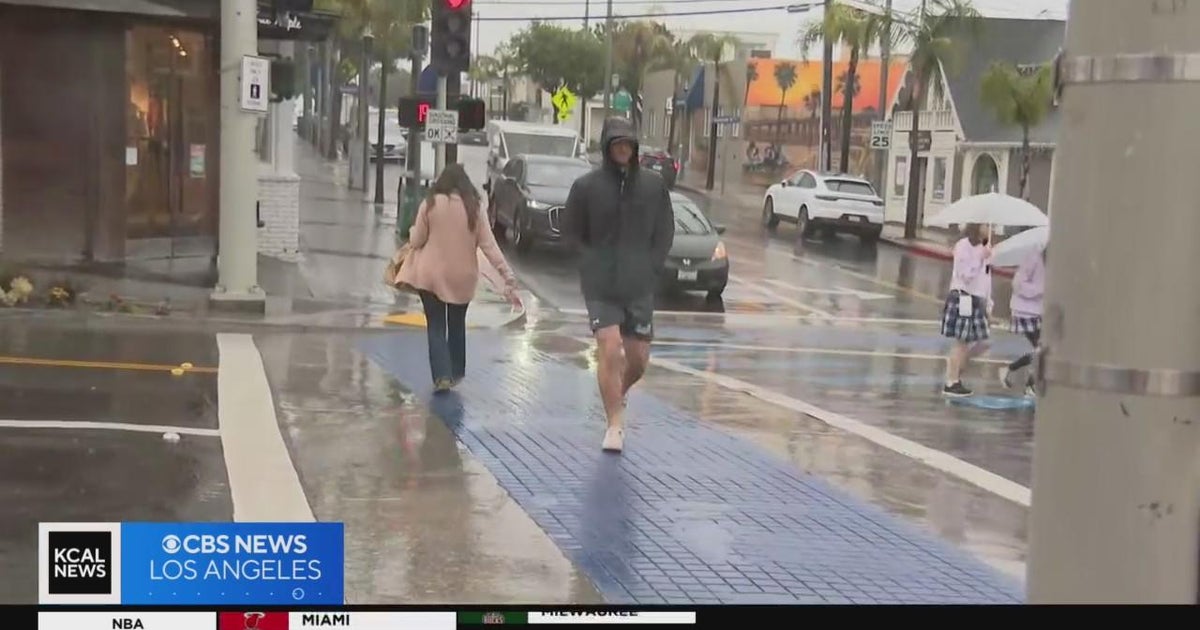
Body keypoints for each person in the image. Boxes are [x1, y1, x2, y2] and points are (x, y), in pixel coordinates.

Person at [563, 117, 675, 453]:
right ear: (607, 147)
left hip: (638, 285)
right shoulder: (586, 188)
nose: (623, 150)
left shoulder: (654, 187)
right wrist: (590, 263)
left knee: (638, 359)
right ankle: (614, 424)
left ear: (635, 147)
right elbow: (571, 234)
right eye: (616, 144)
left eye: (628, 144)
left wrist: (651, 266)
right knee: (610, 347)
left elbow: (665, 232)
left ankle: (617, 393)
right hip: (601, 286)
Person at [397, 163, 523, 392]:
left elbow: (416, 241)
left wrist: (414, 232)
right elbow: (490, 247)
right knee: (456, 324)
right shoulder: (475, 208)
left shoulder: (431, 203)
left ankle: (441, 375)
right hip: (462, 278)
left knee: (436, 325)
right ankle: (456, 371)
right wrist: (507, 275)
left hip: (431, 276)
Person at [940, 223, 993, 397]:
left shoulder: (983, 248)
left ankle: (956, 374)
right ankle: (951, 381)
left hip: (977, 299)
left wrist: (988, 302)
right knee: (961, 342)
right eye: (986, 225)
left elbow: (985, 279)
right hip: (963, 297)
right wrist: (980, 256)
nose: (989, 228)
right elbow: (966, 275)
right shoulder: (964, 246)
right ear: (977, 226)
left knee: (981, 342)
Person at [1000, 246, 1046, 397]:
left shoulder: (1051, 263)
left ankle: (1013, 372)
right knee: (1041, 349)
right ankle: (1030, 385)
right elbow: (1018, 284)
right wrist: (1039, 289)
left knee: (1041, 349)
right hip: (1025, 312)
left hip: (1038, 311)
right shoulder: (1033, 257)